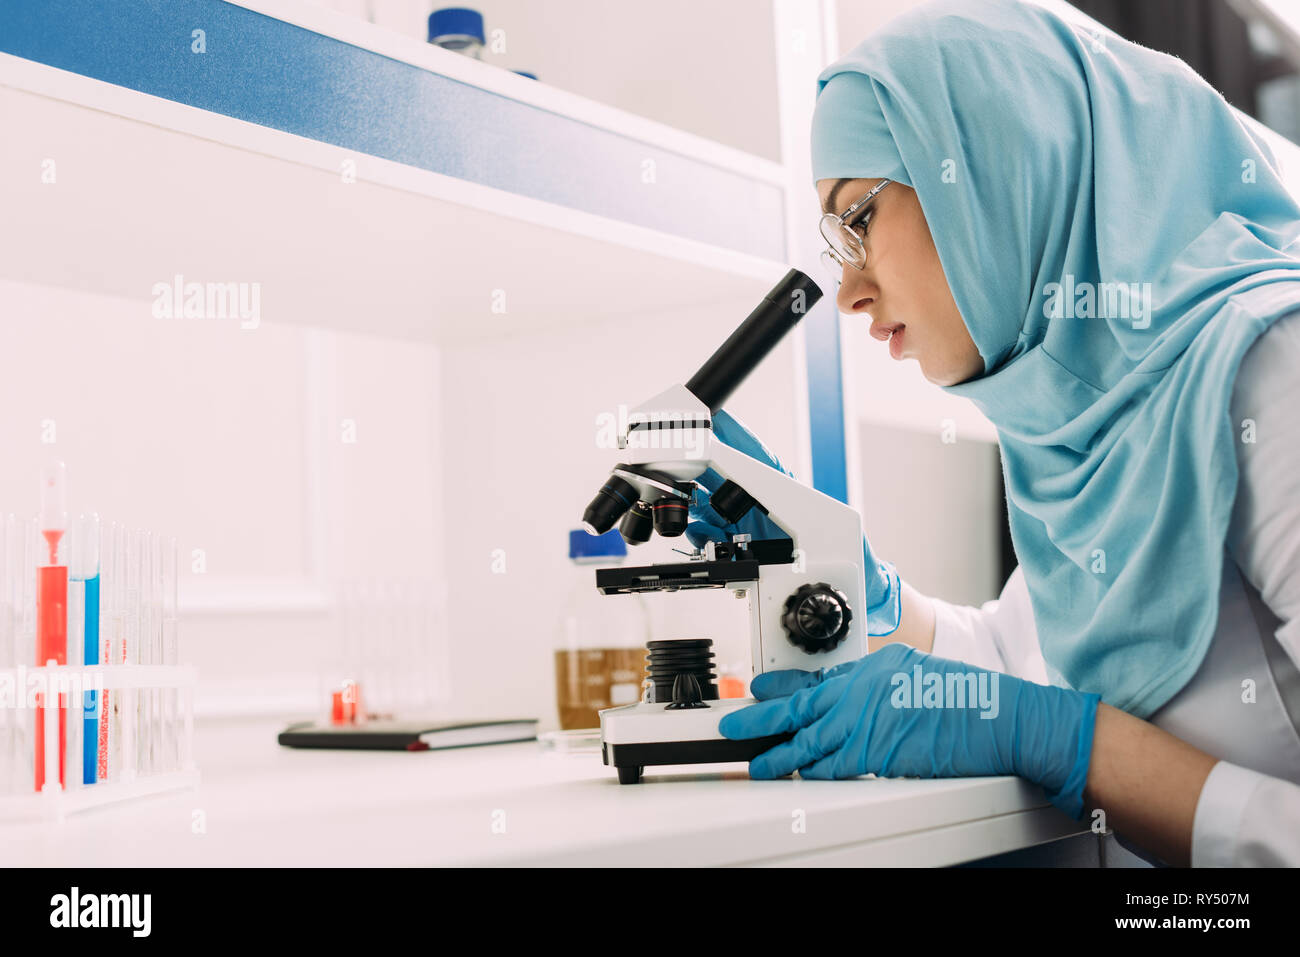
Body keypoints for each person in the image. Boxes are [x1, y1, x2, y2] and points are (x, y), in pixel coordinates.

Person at [688, 0, 1300, 866]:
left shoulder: (1274, 373)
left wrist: (1069, 746)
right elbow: (1021, 663)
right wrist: (845, 582)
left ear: (995, 163)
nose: (848, 293)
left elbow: (1039, 715)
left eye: (857, 219)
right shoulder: (1085, 427)